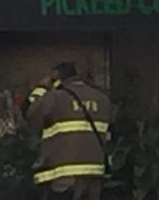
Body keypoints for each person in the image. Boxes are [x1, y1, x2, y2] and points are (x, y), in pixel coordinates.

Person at [25, 62, 110, 200]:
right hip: (94, 174)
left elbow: (30, 114)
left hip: (65, 177)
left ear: (57, 78)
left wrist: (42, 88)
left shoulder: (55, 98)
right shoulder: (102, 99)